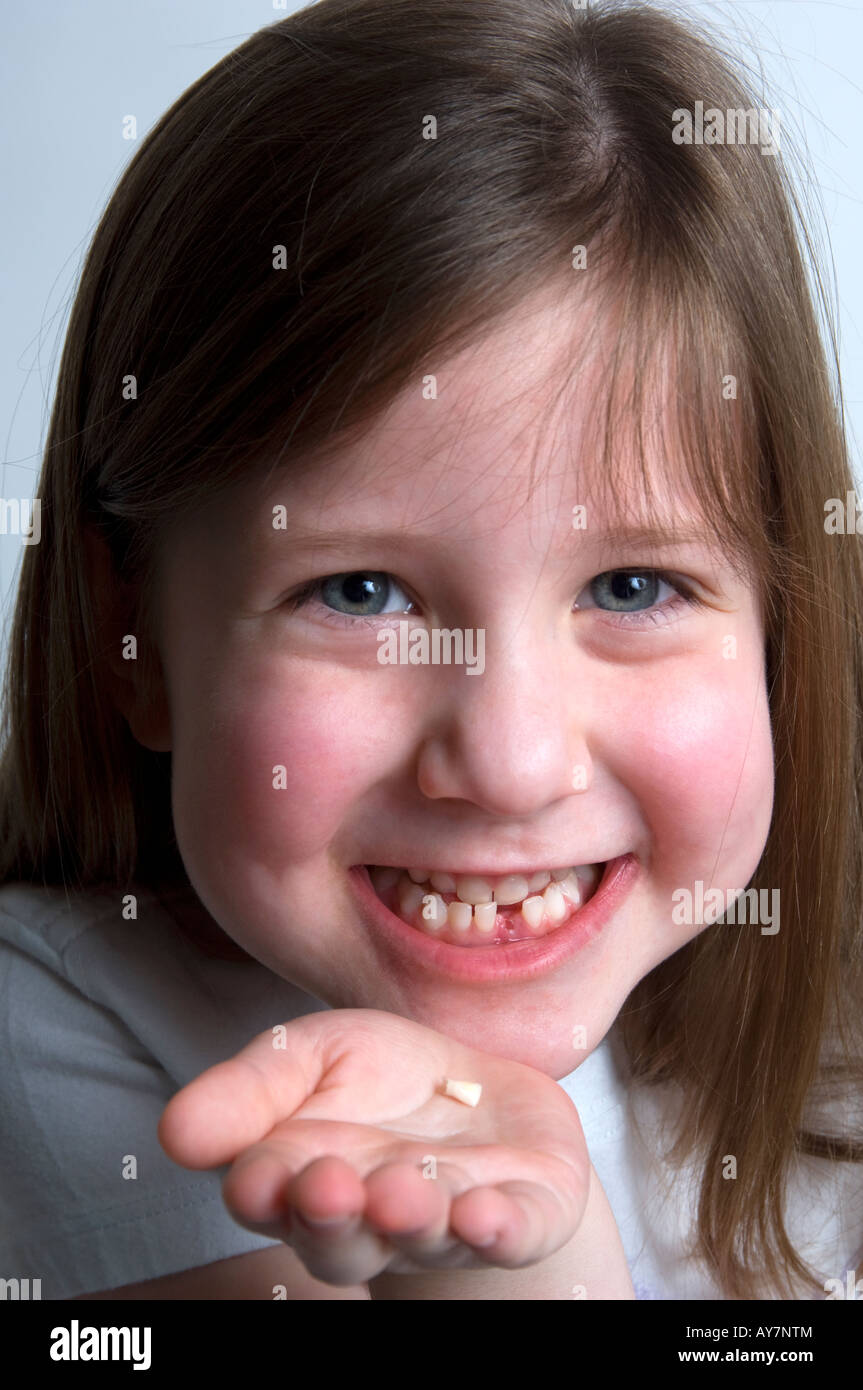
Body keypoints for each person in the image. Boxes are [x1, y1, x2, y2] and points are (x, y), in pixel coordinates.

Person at [1, 0, 861, 1302]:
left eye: (632, 584)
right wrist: (502, 1245)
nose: (513, 762)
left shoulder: (830, 1047)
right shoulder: (51, 1020)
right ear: (137, 640)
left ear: (782, 627)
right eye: (358, 590)